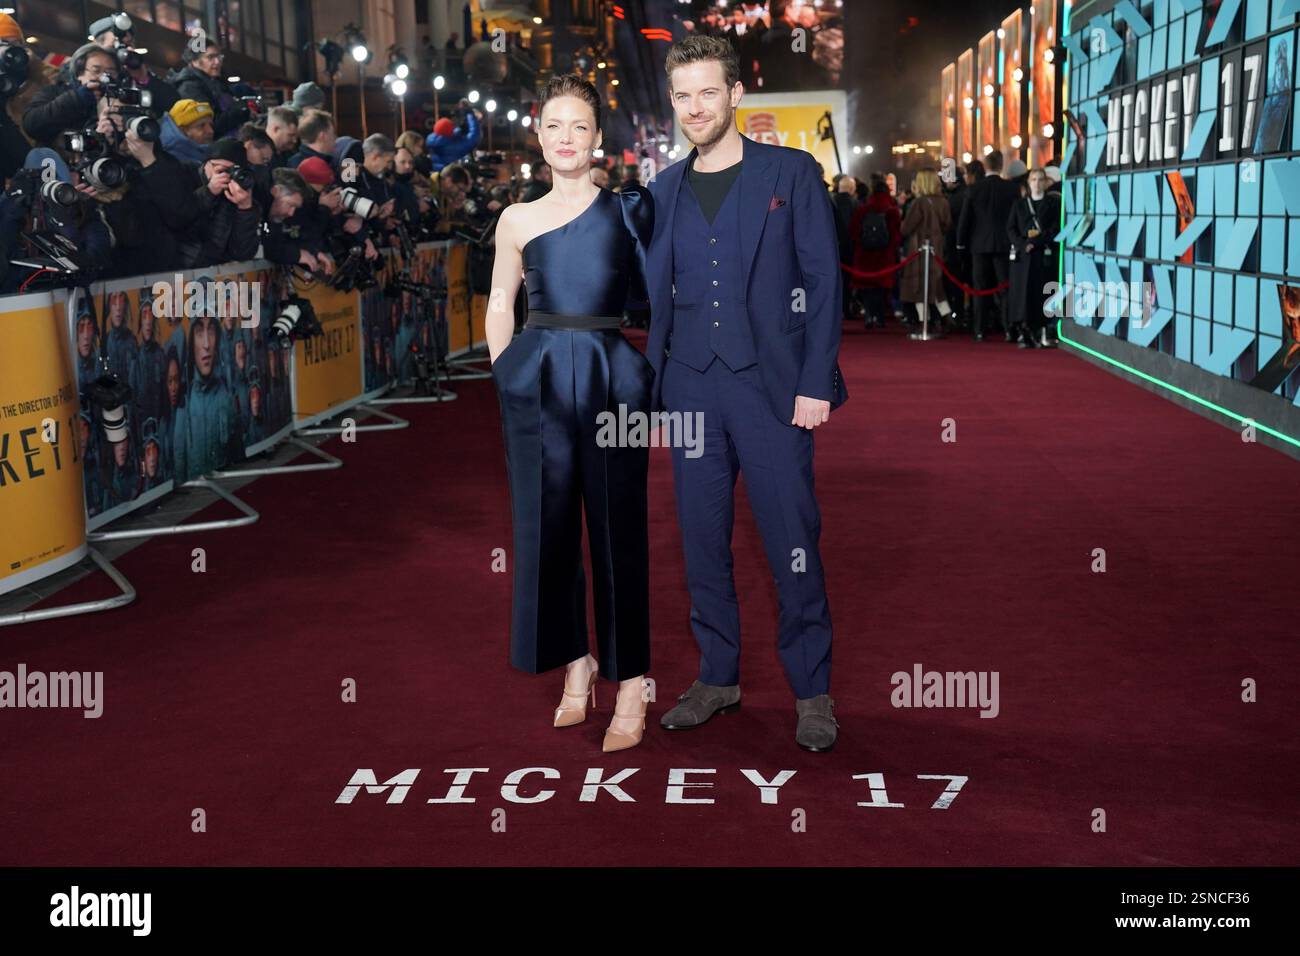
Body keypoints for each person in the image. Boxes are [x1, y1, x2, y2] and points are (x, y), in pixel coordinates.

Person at [645, 35, 845, 752]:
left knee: (792, 539)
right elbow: (645, 293)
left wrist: (815, 382)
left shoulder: (790, 173)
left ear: (735, 96)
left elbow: (823, 283)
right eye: (683, 96)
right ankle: (718, 676)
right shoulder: (663, 190)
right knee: (701, 542)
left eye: (707, 92)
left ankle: (812, 690)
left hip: (773, 391)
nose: (695, 107)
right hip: (690, 387)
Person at [485, 74, 655, 753]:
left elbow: (661, 295)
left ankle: (633, 679)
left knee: (621, 531)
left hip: (616, 376)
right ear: (538, 132)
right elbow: (501, 301)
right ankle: (575, 665)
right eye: (554, 124)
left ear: (596, 138)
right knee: (545, 529)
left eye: (578, 126)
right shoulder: (516, 218)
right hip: (538, 377)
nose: (565, 137)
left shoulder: (630, 210)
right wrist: (505, 373)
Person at [957, 148, 1020, 341]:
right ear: (1002, 165)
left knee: (980, 289)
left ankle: (979, 330)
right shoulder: (1011, 189)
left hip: (979, 245)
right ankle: (1009, 329)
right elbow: (1016, 218)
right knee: (1004, 289)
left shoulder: (974, 189)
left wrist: (960, 243)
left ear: (985, 166)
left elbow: (965, 219)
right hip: (1004, 243)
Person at [1006, 166, 1062, 349]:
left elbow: (1054, 229)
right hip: (1022, 257)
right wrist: (1023, 244)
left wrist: (1035, 242)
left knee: (1041, 292)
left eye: (1040, 179)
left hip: (1042, 256)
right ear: (1029, 183)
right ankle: (1023, 328)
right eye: (1033, 180)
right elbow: (1011, 228)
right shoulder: (1019, 204)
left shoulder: (1053, 204)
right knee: (1021, 293)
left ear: (1045, 182)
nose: (1037, 183)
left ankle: (1041, 328)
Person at [899, 168, 954, 331]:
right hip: (937, 249)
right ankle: (946, 316)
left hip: (919, 249)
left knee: (918, 287)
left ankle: (925, 321)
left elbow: (906, 228)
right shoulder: (943, 201)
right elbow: (947, 225)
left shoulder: (919, 203)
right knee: (936, 286)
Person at [849, 174, 902, 329]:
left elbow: (853, 231)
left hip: (864, 254)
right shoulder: (892, 211)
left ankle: (868, 316)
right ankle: (880, 317)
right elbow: (896, 235)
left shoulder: (862, 209)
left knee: (866, 287)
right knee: (881, 288)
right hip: (884, 255)